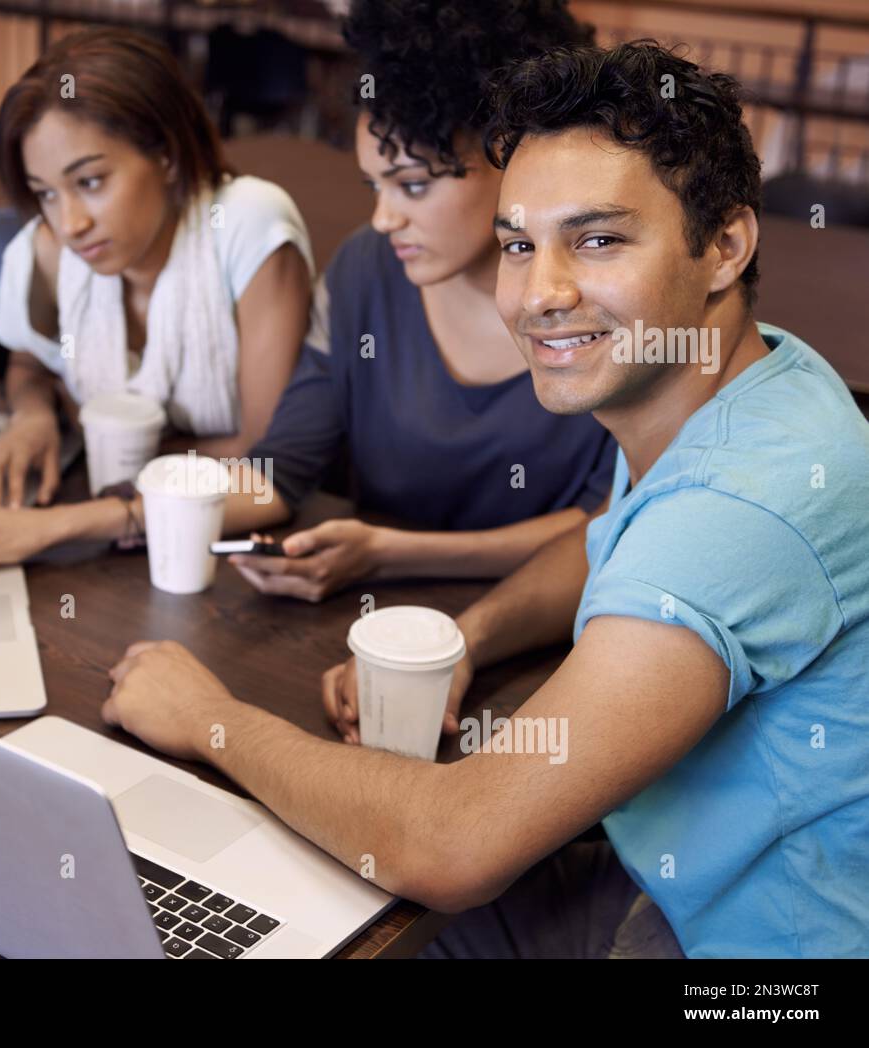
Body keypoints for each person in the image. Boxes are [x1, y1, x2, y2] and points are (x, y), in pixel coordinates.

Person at [96, 41, 869, 958]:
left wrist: (208, 721)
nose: (540, 294)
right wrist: (472, 637)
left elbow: (452, 845)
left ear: (726, 246)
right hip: (667, 872)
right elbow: (614, 537)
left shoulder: (738, 506)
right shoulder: (746, 377)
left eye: (598, 239)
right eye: (518, 245)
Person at [0, 0, 615, 585]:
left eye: (414, 186)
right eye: (374, 185)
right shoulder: (366, 271)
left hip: (563, 634)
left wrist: (394, 555)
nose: (383, 217)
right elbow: (274, 474)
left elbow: (610, 527)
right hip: (378, 621)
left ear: (515, 154)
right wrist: (61, 526)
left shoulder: (609, 300)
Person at [0, 27, 312, 511]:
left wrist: (124, 466)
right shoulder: (47, 252)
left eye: (90, 181)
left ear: (166, 155)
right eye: (45, 193)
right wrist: (32, 414)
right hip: (112, 506)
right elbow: (29, 364)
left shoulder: (246, 225)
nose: (70, 224)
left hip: (233, 518)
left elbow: (263, 452)